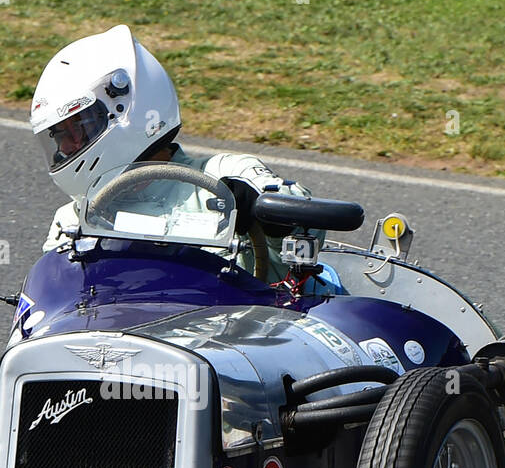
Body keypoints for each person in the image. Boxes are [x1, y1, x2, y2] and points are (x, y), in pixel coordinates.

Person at [30, 24, 329, 285]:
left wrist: (263, 210)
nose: (66, 148)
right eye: (58, 135)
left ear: (125, 112)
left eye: (76, 129)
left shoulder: (224, 175)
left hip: (229, 338)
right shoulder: (72, 219)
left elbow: (307, 225)